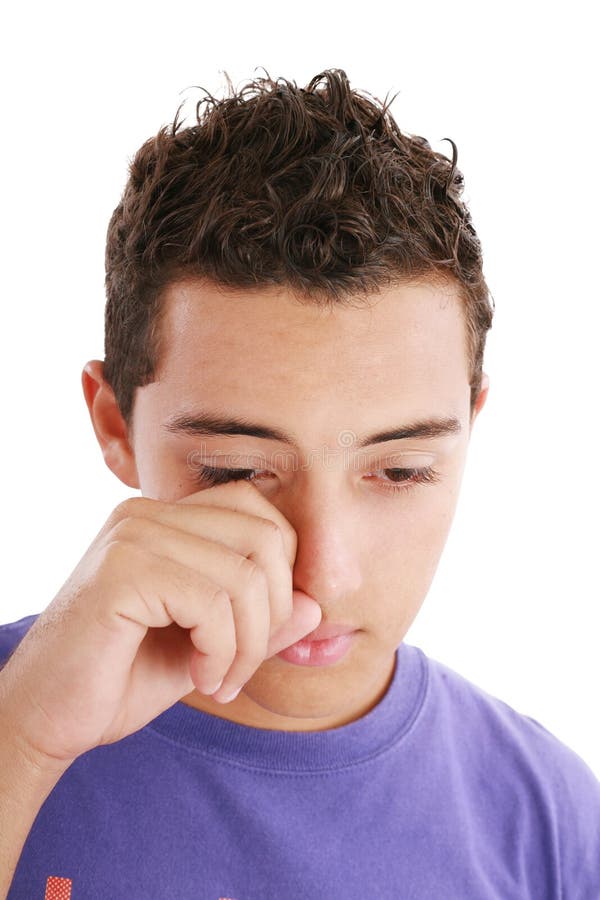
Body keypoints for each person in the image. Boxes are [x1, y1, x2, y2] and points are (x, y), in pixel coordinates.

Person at [0, 67, 598, 900]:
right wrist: (20, 742)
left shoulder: (556, 825)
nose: (322, 571)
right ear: (113, 426)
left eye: (400, 470)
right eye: (238, 471)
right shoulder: (10, 717)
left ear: (468, 429)